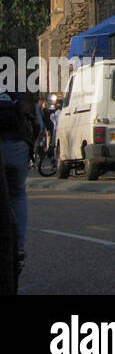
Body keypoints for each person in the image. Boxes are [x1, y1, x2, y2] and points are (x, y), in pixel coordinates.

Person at [0, 75, 41, 278]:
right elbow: (38, 124)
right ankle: (19, 248)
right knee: (17, 193)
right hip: (17, 146)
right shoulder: (22, 85)